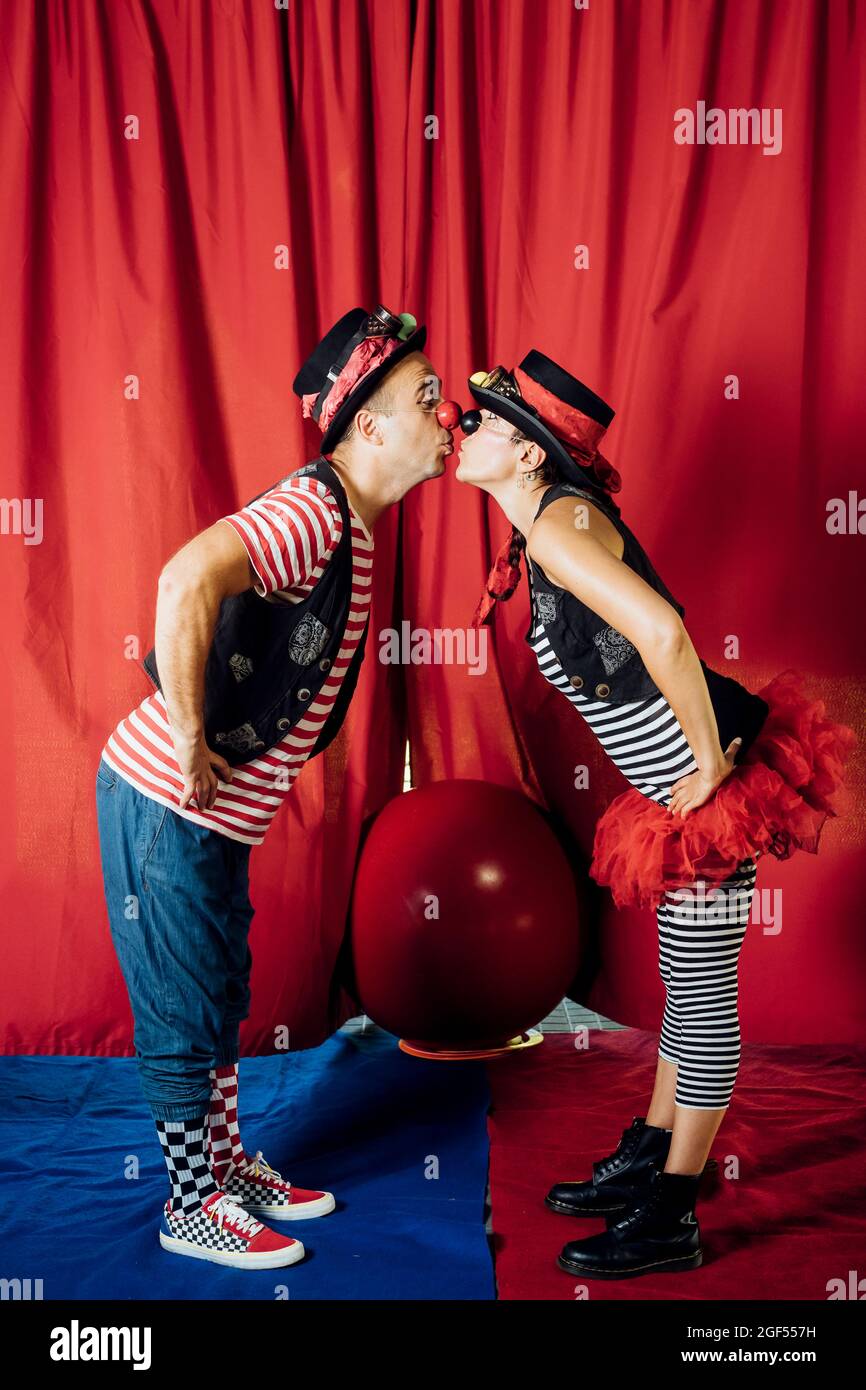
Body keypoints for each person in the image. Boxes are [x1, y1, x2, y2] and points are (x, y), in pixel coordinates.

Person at [455, 352, 857, 1280]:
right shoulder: (545, 524)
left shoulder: (557, 532)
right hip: (676, 784)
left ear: (526, 457)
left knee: (705, 1003)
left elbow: (666, 634)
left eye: (484, 423)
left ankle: (672, 1213)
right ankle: (653, 1147)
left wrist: (713, 765)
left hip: (705, 784)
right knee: (689, 989)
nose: (464, 431)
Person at [96, 304, 457, 1269]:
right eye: (426, 398)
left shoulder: (359, 524)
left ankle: (221, 1165)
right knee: (182, 1006)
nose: (446, 412)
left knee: (217, 989)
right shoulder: (317, 510)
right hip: (164, 804)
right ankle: (189, 1205)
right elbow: (185, 581)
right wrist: (186, 734)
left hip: (209, 822)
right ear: (369, 423)